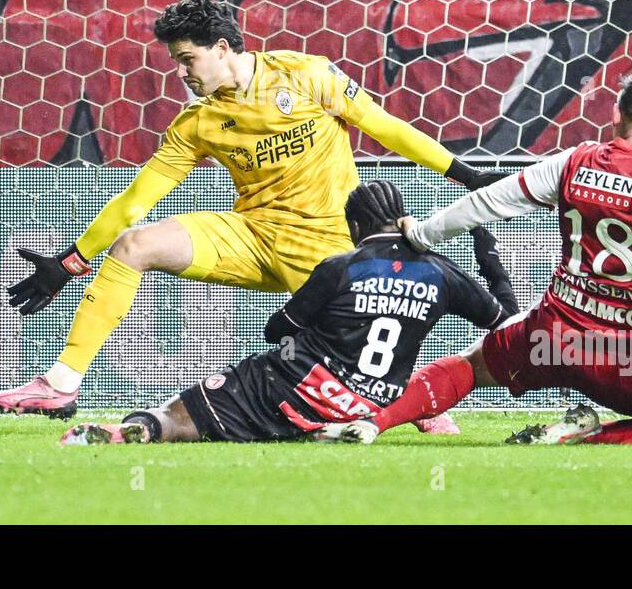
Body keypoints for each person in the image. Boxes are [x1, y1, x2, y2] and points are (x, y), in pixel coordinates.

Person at [0, 0, 509, 424]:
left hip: (328, 252)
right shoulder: (198, 123)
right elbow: (137, 199)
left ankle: (414, 410)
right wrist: (72, 260)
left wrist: (463, 175)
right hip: (252, 238)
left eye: (188, 59)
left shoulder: (307, 76)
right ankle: (60, 385)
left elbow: (384, 127)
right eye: (177, 63)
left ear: (220, 47)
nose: (183, 74)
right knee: (135, 244)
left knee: (371, 368)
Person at [320, 70, 632, 447]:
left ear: (616, 116)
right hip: (628, 359)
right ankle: (584, 436)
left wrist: (423, 233)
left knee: (470, 366)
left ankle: (371, 423)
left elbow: (489, 201)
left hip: (552, 337)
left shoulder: (575, 161)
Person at [62, 182, 516, 444]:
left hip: (291, 387)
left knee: (181, 415)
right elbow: (506, 322)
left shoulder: (342, 267)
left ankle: (139, 430)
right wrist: (489, 256)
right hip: (365, 408)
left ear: (353, 227)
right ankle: (325, 426)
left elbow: (275, 329)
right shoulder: (442, 273)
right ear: (402, 218)